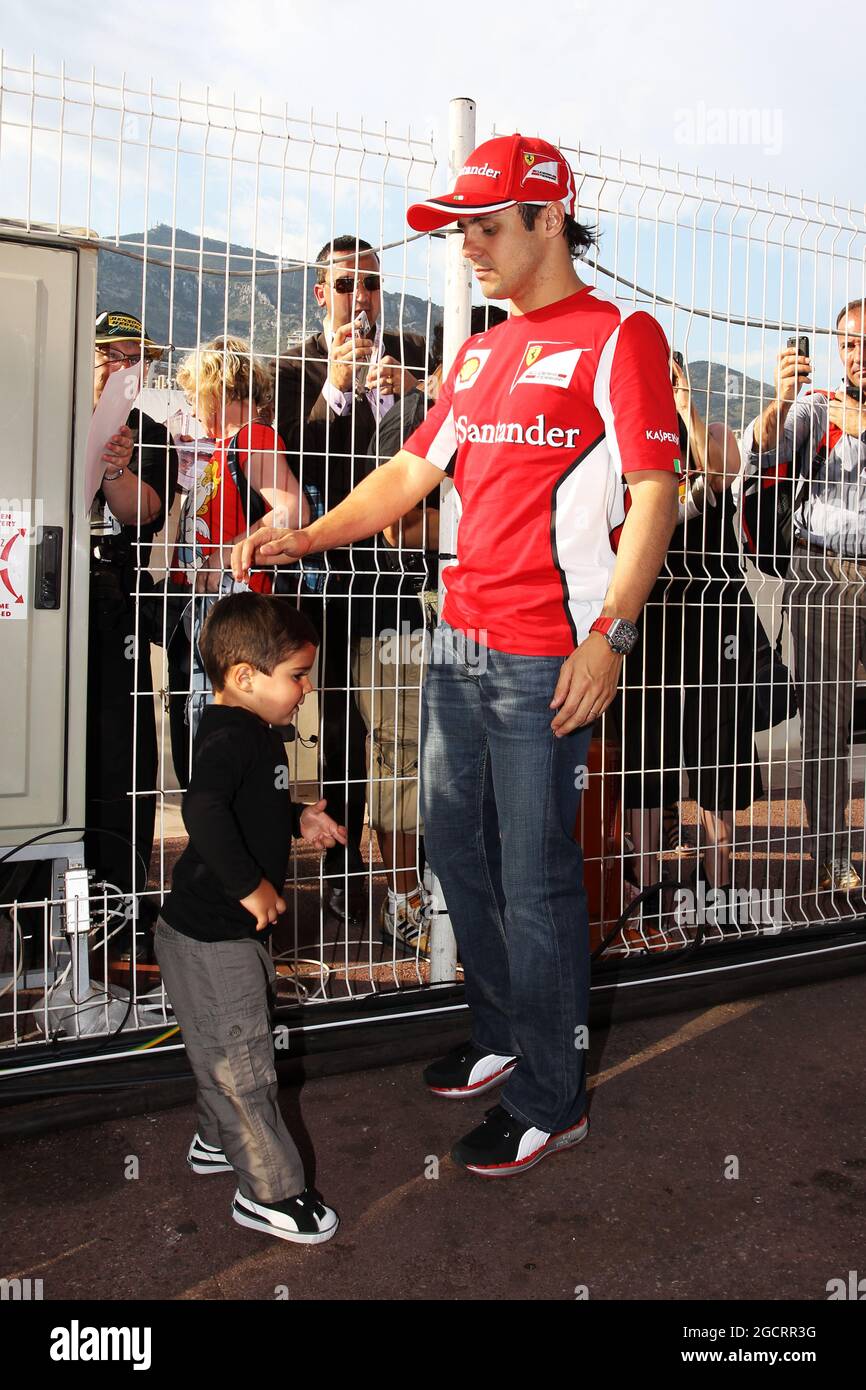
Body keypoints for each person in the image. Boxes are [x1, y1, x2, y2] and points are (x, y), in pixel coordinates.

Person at [232, 134, 681, 1178]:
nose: (467, 247)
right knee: (453, 850)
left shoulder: (621, 337)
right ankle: (498, 1033)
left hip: (544, 659)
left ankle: (549, 1092)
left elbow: (654, 496)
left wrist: (610, 633)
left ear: (546, 220)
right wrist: (307, 533)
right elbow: (407, 469)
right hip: (456, 645)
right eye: (461, 228)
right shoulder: (476, 351)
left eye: (485, 226)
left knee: (536, 880)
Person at [154, 592, 345, 1243]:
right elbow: (203, 811)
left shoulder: (251, 731)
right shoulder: (228, 738)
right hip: (212, 938)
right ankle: (271, 1192)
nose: (305, 687)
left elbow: (247, 811)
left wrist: (300, 818)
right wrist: (250, 886)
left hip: (222, 936)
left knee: (229, 1046)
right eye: (296, 674)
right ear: (243, 676)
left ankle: (217, 1142)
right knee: (246, 1063)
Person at [272, 237, 429, 920]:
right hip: (327, 581)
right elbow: (288, 464)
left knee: (403, 729)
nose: (358, 298)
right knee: (338, 728)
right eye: (344, 286)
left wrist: (413, 394)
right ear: (320, 293)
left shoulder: (410, 353)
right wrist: (336, 388)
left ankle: (406, 876)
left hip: (396, 578)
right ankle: (340, 867)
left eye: (369, 284)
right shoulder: (293, 368)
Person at [353, 309, 506, 957]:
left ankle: (448, 900)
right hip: (399, 620)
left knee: (459, 766)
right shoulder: (414, 412)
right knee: (401, 761)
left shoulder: (486, 417)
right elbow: (396, 526)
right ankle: (402, 902)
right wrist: (491, 517)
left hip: (466, 614)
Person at [618, 356, 763, 942]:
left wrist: (687, 409)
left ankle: (718, 884)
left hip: (708, 623)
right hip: (648, 620)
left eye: (668, 377)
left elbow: (726, 472)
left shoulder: (709, 432)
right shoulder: (625, 438)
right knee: (644, 750)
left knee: (718, 746)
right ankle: (645, 882)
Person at [742, 301, 866, 892]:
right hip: (824, 570)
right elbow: (767, 451)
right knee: (829, 718)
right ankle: (831, 850)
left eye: (864, 342)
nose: (857, 354)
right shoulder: (817, 408)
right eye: (847, 344)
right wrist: (782, 400)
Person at [167, 336, 310, 783]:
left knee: (215, 744)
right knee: (200, 739)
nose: (191, 405)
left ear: (220, 389)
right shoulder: (224, 446)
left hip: (231, 611)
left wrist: (232, 548)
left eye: (195, 393)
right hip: (207, 611)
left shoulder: (253, 437)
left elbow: (292, 510)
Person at [87, 310, 179, 950]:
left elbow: (146, 513)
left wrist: (116, 468)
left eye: (133, 358)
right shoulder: (35, 408)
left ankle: (117, 899)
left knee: (119, 754)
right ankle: (30, 897)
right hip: (34, 607)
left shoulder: (146, 430)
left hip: (112, 603)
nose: (122, 368)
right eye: (109, 356)